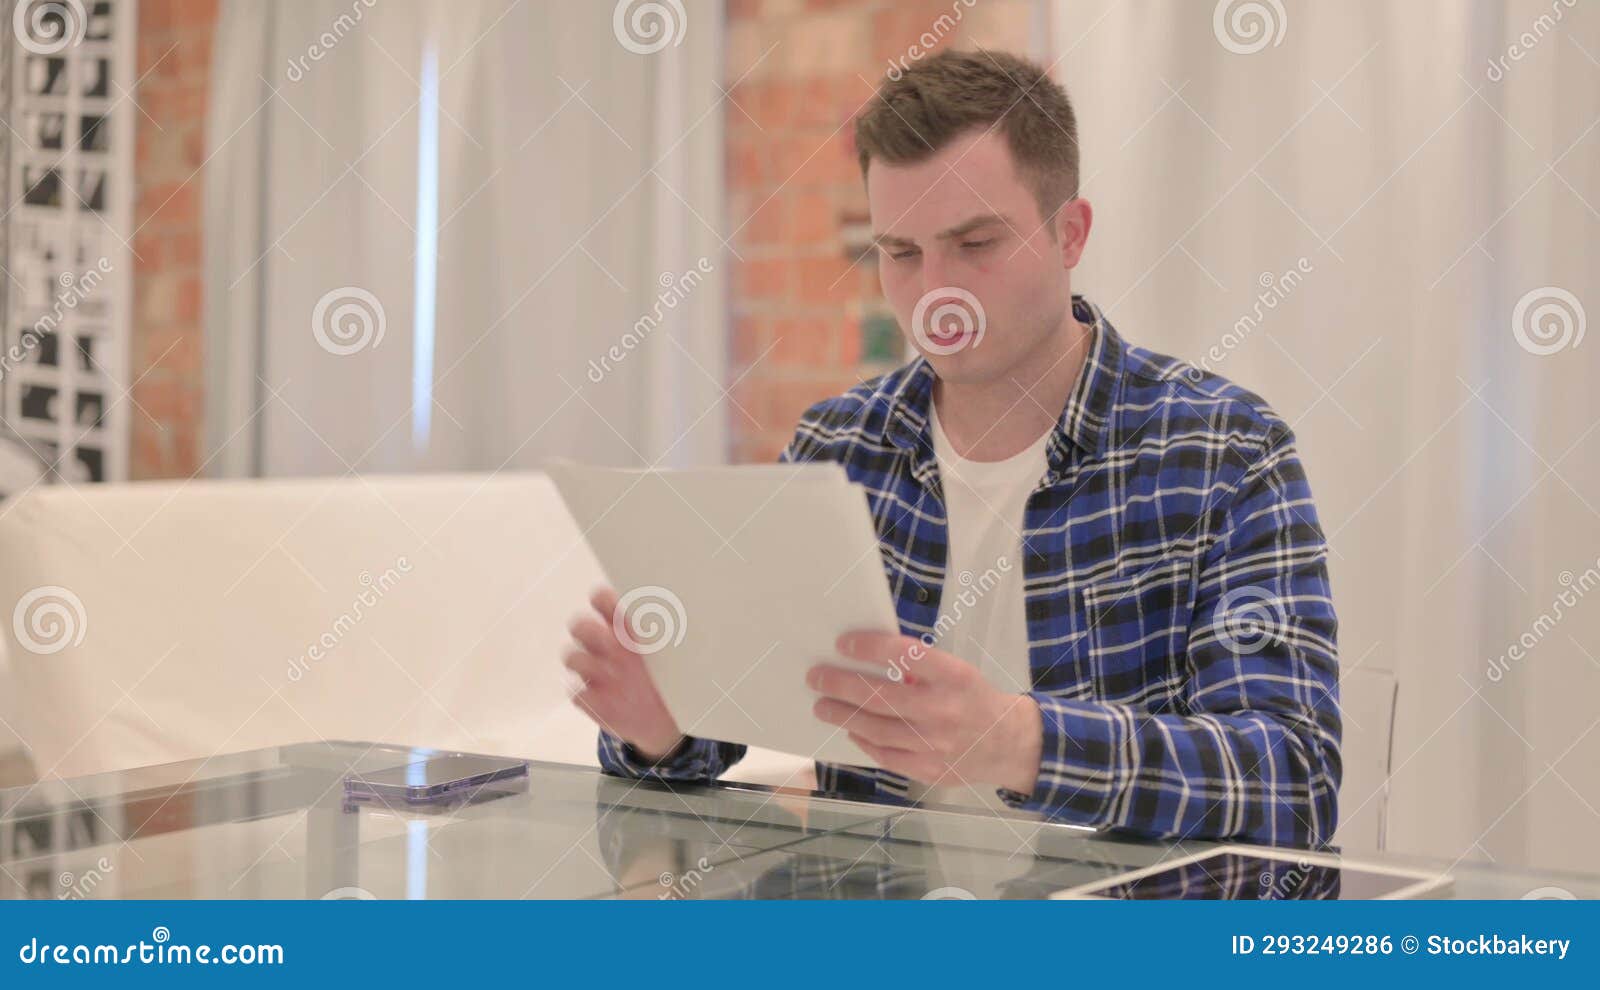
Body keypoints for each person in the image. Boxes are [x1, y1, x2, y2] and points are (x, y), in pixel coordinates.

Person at [565, 49, 1340, 847]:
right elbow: (719, 735)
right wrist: (661, 726)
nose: (934, 290)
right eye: (900, 252)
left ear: (1069, 233)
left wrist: (1015, 742)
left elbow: (1297, 781)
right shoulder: (838, 446)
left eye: (975, 244)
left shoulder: (1223, 450)